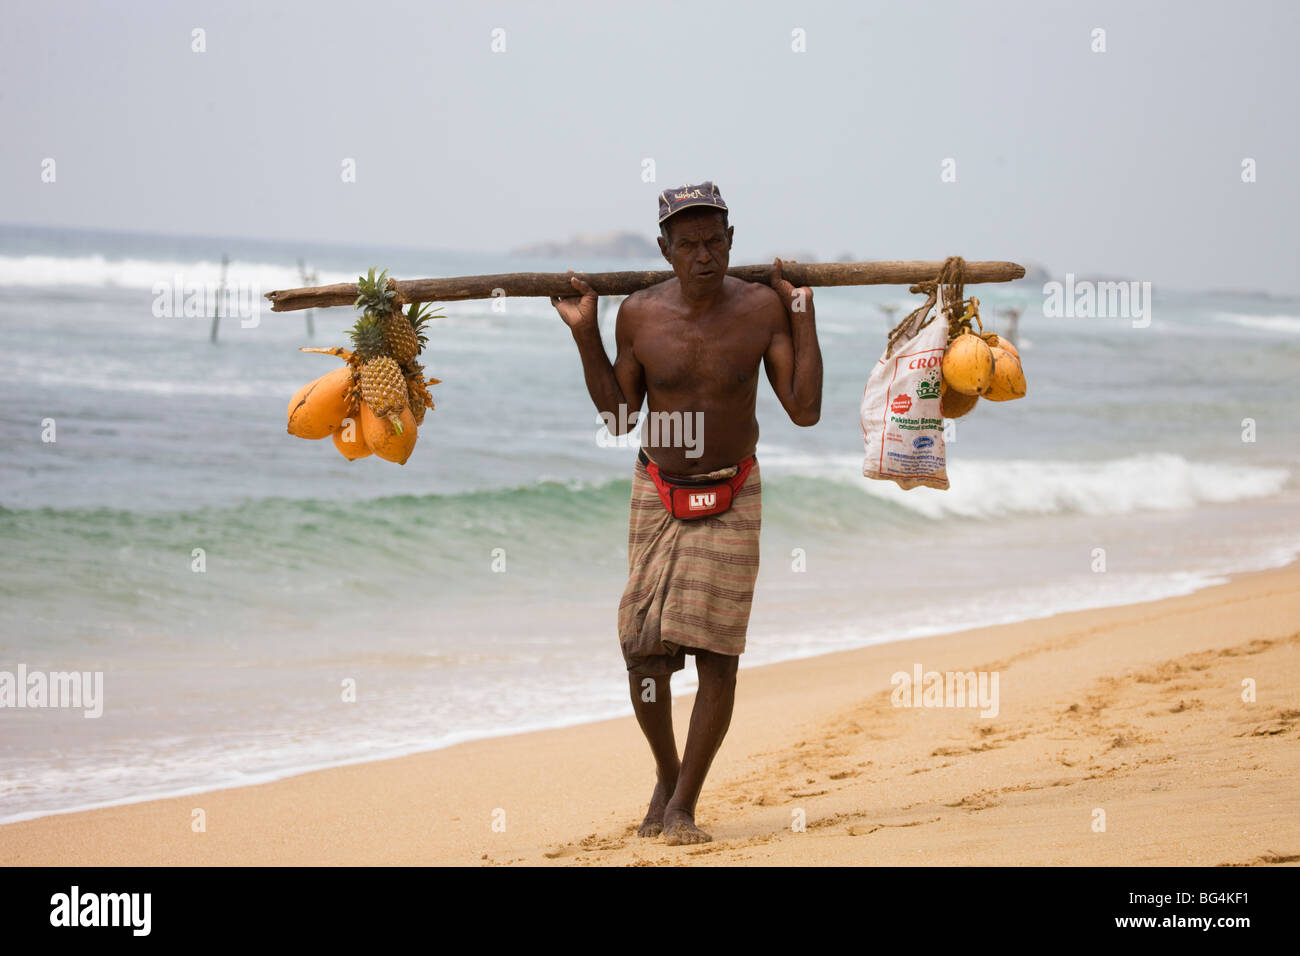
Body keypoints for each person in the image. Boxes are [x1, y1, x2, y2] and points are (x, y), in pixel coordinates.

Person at [550, 182, 823, 844]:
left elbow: (805, 409)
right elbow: (619, 418)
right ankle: (666, 775)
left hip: (733, 490)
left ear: (732, 241)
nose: (704, 255)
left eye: (715, 241)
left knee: (716, 657)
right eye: (689, 243)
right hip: (658, 491)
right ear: (665, 249)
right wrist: (585, 334)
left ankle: (683, 806)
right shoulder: (638, 317)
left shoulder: (761, 310)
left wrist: (804, 316)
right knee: (642, 652)